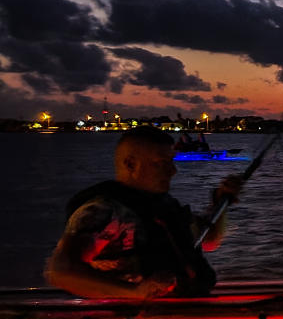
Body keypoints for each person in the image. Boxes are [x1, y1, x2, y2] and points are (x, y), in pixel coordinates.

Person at [46, 126, 243, 298]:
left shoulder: (164, 205)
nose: (173, 171)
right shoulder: (103, 210)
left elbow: (210, 240)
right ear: (131, 164)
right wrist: (135, 292)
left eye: (171, 162)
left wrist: (221, 202)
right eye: (161, 163)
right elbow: (62, 271)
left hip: (183, 313)